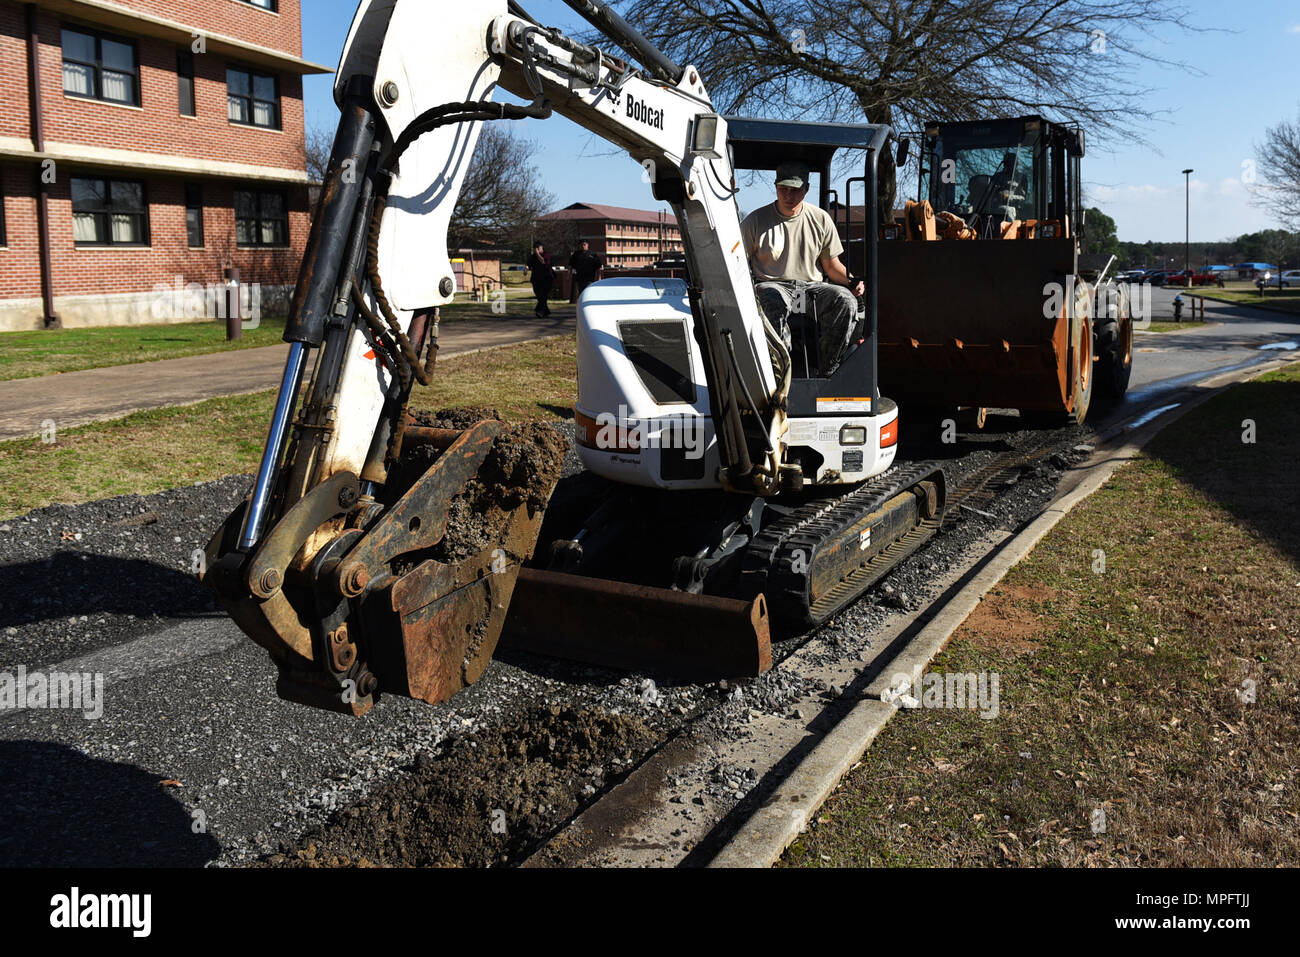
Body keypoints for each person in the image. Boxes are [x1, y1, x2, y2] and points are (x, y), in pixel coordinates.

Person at [740, 160, 864, 376]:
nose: (789, 196)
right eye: (783, 189)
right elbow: (738, 262)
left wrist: (851, 281)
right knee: (770, 297)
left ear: (806, 189)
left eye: (795, 190)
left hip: (811, 290)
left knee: (845, 301)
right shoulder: (755, 221)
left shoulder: (820, 219)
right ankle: (778, 372)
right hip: (773, 286)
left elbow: (832, 266)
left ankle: (828, 371)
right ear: (776, 187)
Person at [526, 241, 554, 318]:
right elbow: (528, 264)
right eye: (535, 248)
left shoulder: (547, 255)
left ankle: (540, 311)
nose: (537, 250)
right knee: (539, 295)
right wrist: (526, 269)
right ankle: (546, 312)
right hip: (536, 279)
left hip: (547, 279)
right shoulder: (532, 257)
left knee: (543, 295)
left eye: (538, 248)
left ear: (541, 248)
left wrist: (538, 254)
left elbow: (543, 262)